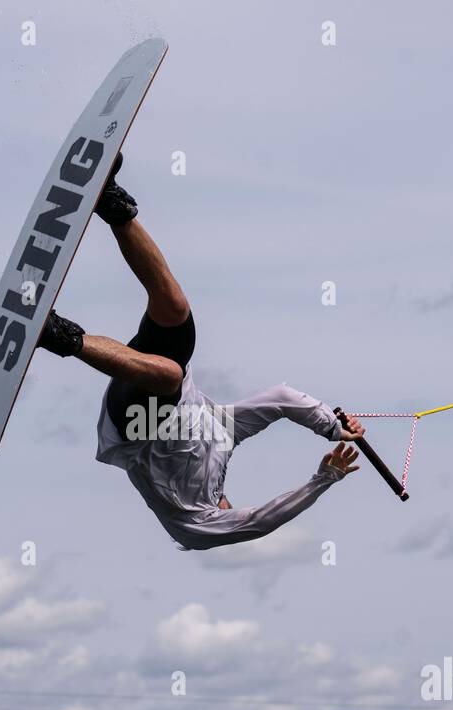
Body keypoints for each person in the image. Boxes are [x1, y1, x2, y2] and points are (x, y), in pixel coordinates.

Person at [35, 154, 364, 550]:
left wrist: (322, 481)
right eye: (232, 509)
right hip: (159, 380)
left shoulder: (193, 524)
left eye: (232, 515)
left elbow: (261, 523)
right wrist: (329, 425)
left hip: (137, 426)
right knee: (174, 308)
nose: (233, 510)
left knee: (169, 376)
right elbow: (280, 399)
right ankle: (112, 204)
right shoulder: (227, 435)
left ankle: (58, 336)